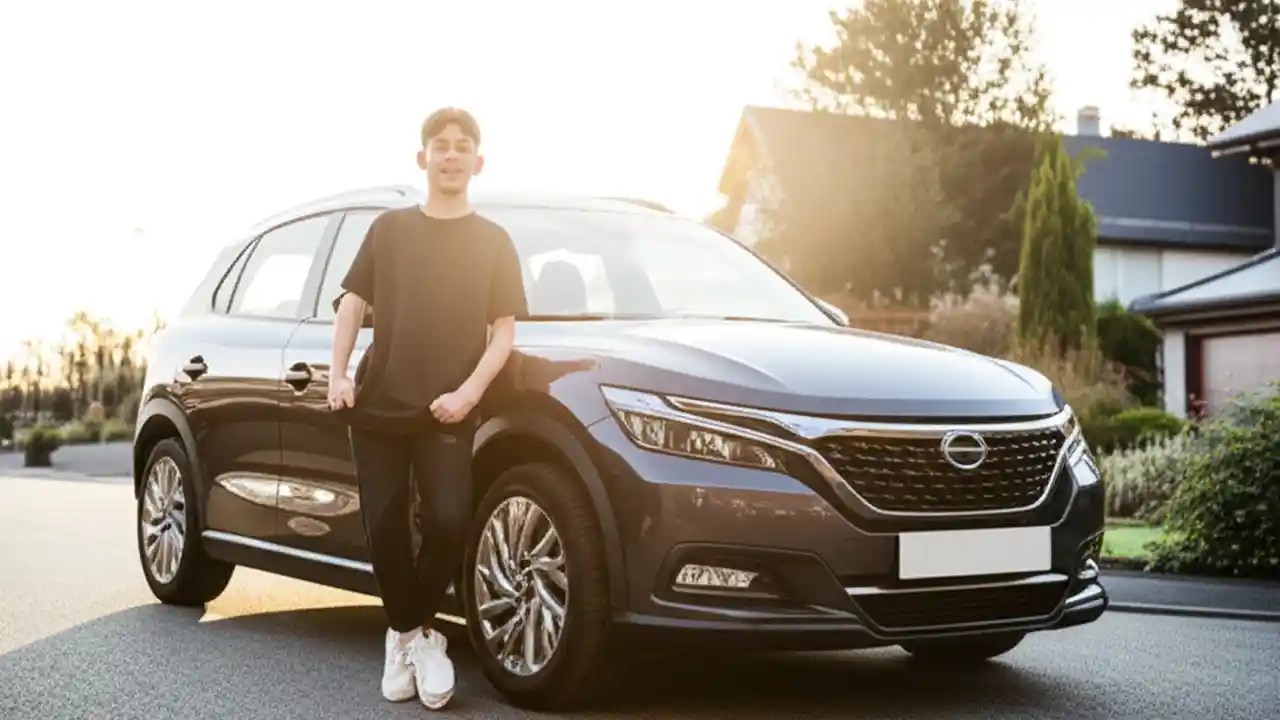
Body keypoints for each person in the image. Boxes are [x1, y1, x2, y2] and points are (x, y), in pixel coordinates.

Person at [326, 107, 527, 710]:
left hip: (448, 408)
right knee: (386, 525)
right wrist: (338, 374)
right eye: (441, 145)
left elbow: (504, 331)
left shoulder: (494, 241)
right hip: (379, 401)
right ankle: (414, 637)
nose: (451, 154)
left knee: (449, 520)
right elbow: (352, 302)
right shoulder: (390, 230)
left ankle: (406, 630)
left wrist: (469, 394)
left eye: (462, 146)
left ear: (478, 162)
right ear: (423, 158)